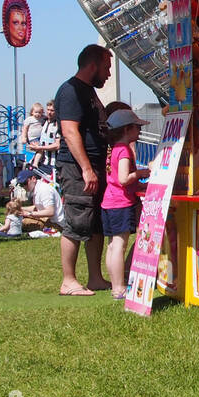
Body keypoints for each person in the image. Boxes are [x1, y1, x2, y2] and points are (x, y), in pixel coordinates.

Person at [54, 45, 113, 295]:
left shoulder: (88, 91)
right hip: (77, 168)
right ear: (93, 65)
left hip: (94, 166)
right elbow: (69, 131)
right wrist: (86, 169)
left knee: (95, 223)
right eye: (107, 67)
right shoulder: (70, 91)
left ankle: (95, 278)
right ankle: (68, 280)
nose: (109, 74)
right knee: (77, 221)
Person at [102, 109, 150, 300]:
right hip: (120, 203)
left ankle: (116, 284)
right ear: (127, 129)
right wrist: (141, 173)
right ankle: (119, 287)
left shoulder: (113, 148)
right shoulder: (123, 150)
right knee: (120, 245)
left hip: (109, 202)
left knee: (113, 246)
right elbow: (123, 178)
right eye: (137, 128)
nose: (139, 132)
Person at [21, 102, 45, 167]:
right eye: (36, 112)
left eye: (39, 112)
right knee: (40, 149)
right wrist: (24, 138)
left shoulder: (43, 118)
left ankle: (37, 161)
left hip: (40, 138)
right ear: (32, 112)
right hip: (32, 138)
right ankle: (35, 163)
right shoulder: (29, 119)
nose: (38, 114)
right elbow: (25, 129)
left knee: (41, 150)